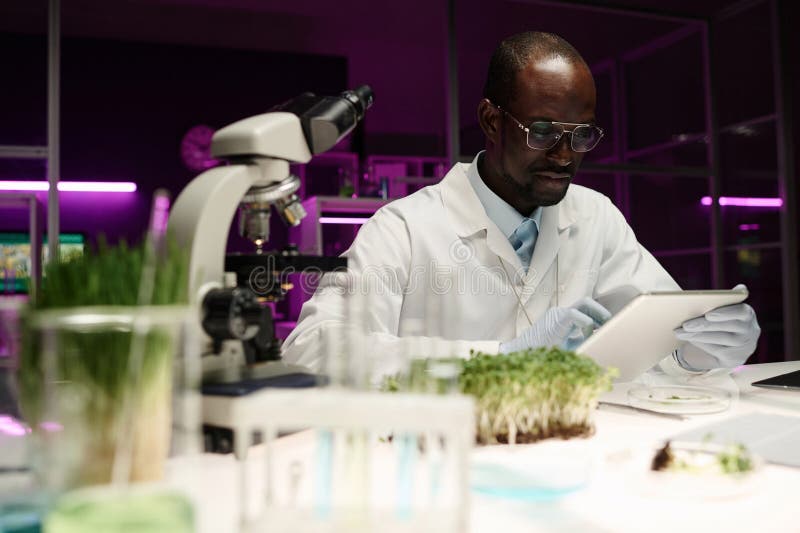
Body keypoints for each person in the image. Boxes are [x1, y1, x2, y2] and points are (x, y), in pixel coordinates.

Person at [283, 31, 760, 379]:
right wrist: (499, 357)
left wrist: (697, 351)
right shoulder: (403, 229)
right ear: (492, 120)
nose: (564, 155)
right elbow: (312, 349)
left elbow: (658, 336)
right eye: (544, 132)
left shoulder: (595, 218)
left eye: (581, 136)